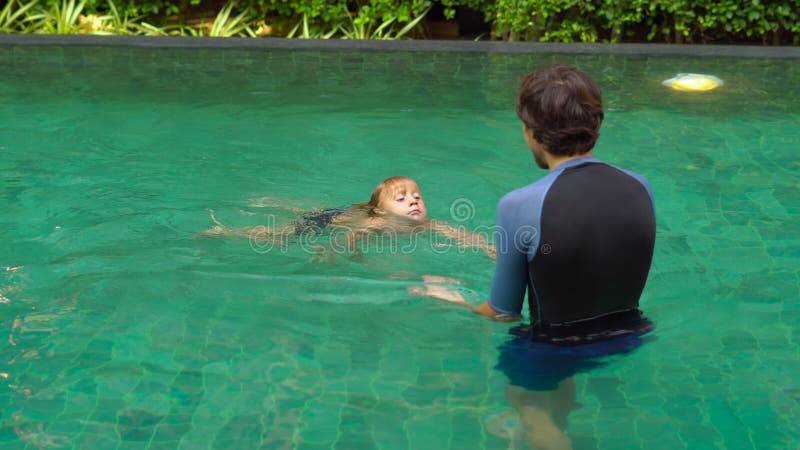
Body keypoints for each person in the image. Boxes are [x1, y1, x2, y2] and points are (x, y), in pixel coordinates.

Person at [415, 64, 656, 450]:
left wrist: (453, 301)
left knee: (529, 407)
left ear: (531, 131)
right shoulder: (640, 186)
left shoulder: (519, 205)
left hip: (554, 346)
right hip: (630, 334)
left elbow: (504, 311)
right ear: (597, 122)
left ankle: (540, 425)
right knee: (559, 375)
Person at [201, 176, 496, 259]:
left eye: (417, 196)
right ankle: (225, 232)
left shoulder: (427, 224)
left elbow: (461, 235)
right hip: (326, 222)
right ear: (381, 210)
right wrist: (336, 252)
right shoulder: (376, 222)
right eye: (402, 198)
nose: (413, 201)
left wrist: (484, 245)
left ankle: (280, 203)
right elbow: (349, 237)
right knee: (281, 236)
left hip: (342, 214)